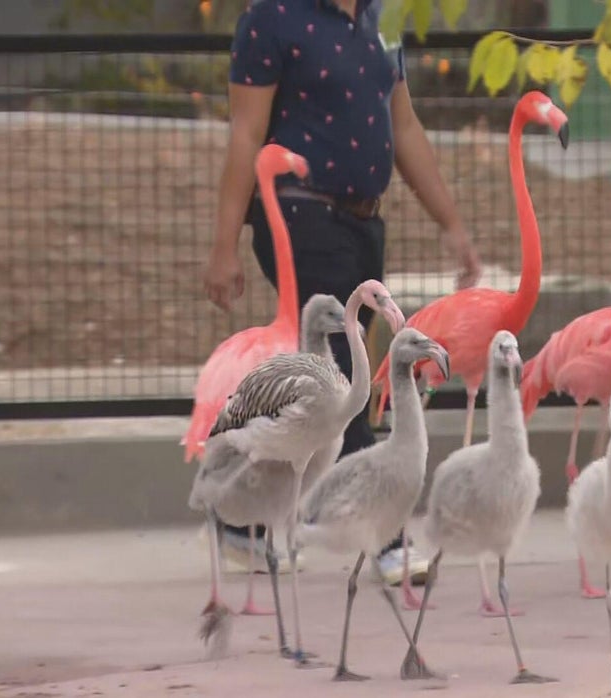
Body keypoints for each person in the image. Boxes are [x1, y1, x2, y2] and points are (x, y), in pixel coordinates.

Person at [201, 0, 482, 587]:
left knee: (325, 390)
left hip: (363, 222)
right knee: (346, 380)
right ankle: (382, 534)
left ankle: (243, 521)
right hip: (302, 217)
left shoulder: (387, 19)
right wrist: (224, 245)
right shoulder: (271, 18)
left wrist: (451, 222)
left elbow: (403, 127)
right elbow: (246, 133)